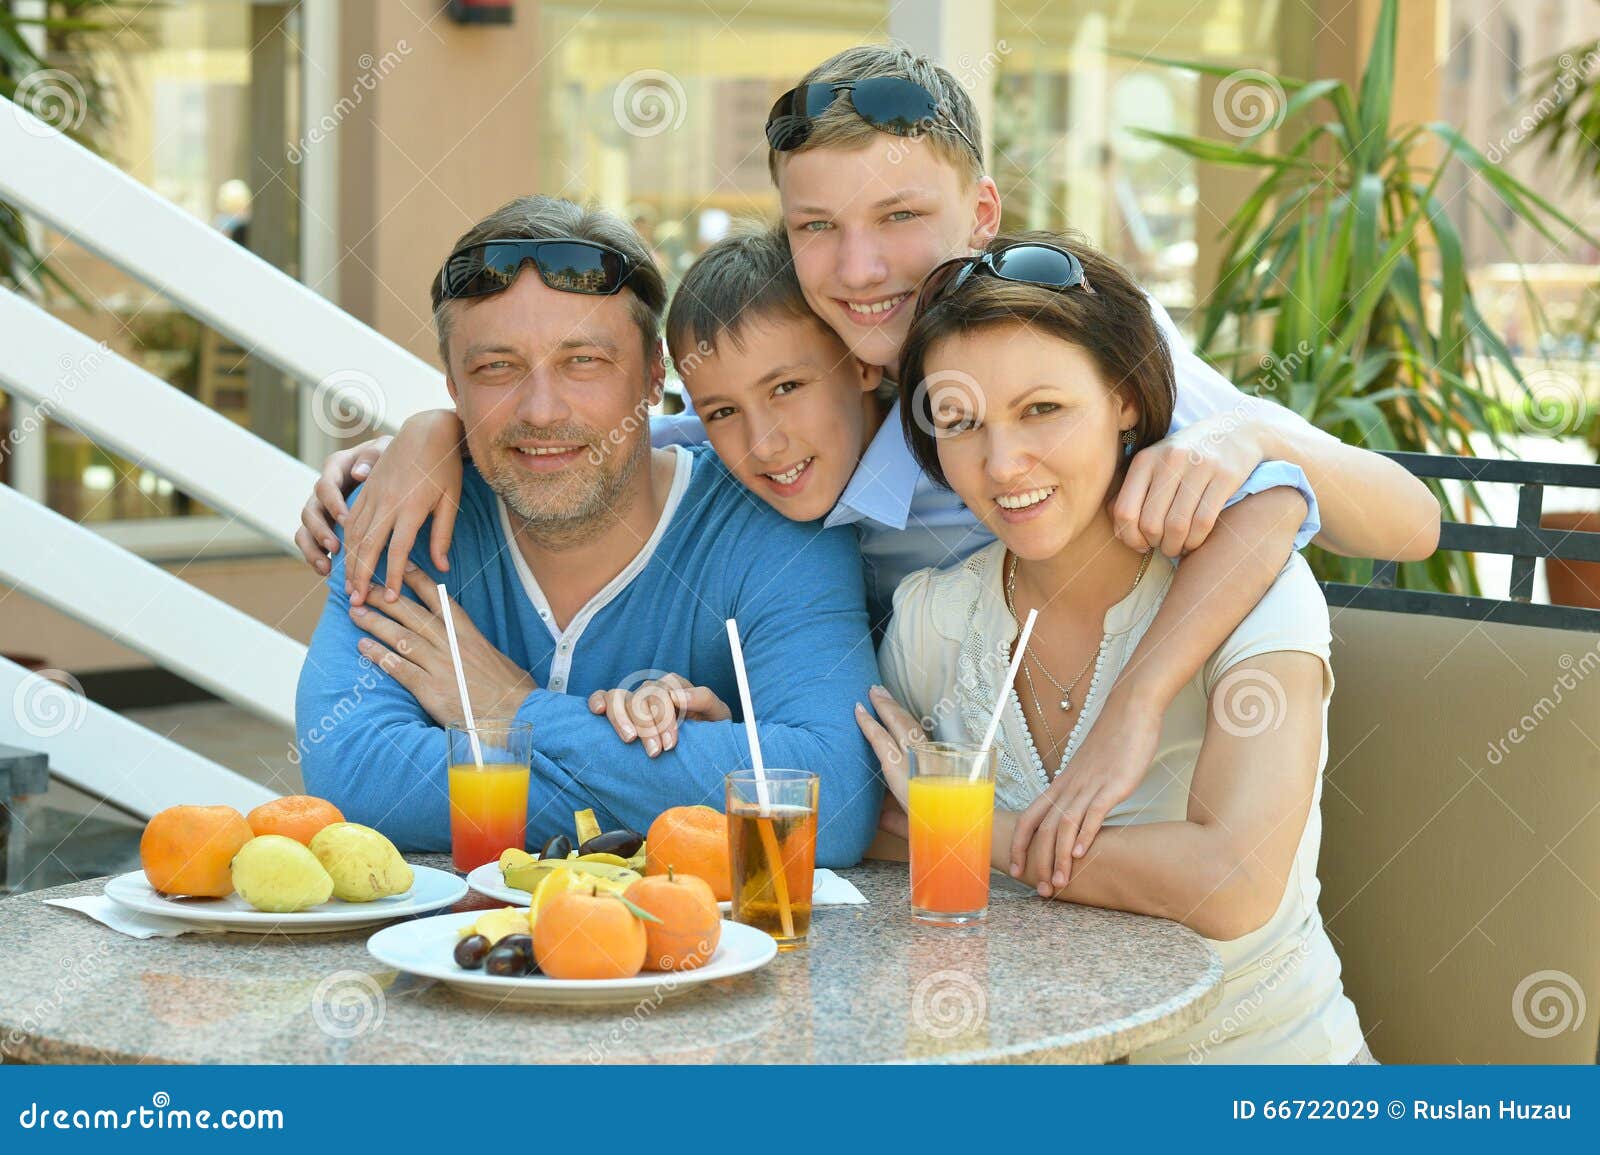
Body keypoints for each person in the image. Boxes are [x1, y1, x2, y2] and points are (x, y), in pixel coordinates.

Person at [293, 43, 1439, 870]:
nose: (859, 266)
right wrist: (431, 435)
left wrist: (1247, 438)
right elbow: (620, 437)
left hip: (1125, 776)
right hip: (953, 793)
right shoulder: (794, 431)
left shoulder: (1055, 342)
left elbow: (1378, 520)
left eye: (900, 217)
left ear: (981, 213)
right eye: (816, 229)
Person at [858, 232, 1370, 1064]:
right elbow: (875, 820)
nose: (1001, 460)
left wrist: (974, 831)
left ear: (1127, 399)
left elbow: (1230, 880)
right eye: (961, 422)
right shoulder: (933, 617)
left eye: (1043, 409)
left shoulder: (1252, 591)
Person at [294, 195, 882, 865]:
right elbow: (355, 778)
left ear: (657, 373)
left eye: (584, 362)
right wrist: (676, 777)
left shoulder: (773, 521)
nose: (541, 410)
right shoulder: (399, 514)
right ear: (452, 388)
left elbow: (828, 802)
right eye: (496, 368)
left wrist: (513, 710)